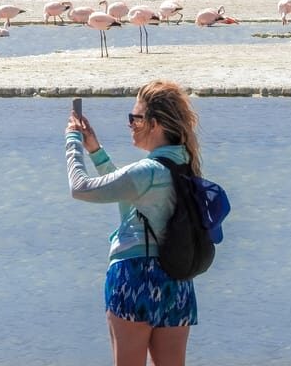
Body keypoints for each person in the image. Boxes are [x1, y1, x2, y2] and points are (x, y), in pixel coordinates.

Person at [65, 80, 202, 366]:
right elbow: (131, 195)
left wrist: (73, 142)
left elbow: (80, 187)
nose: (130, 124)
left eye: (135, 118)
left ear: (156, 125)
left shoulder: (147, 171)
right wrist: (96, 151)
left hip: (134, 278)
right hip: (176, 280)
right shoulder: (185, 165)